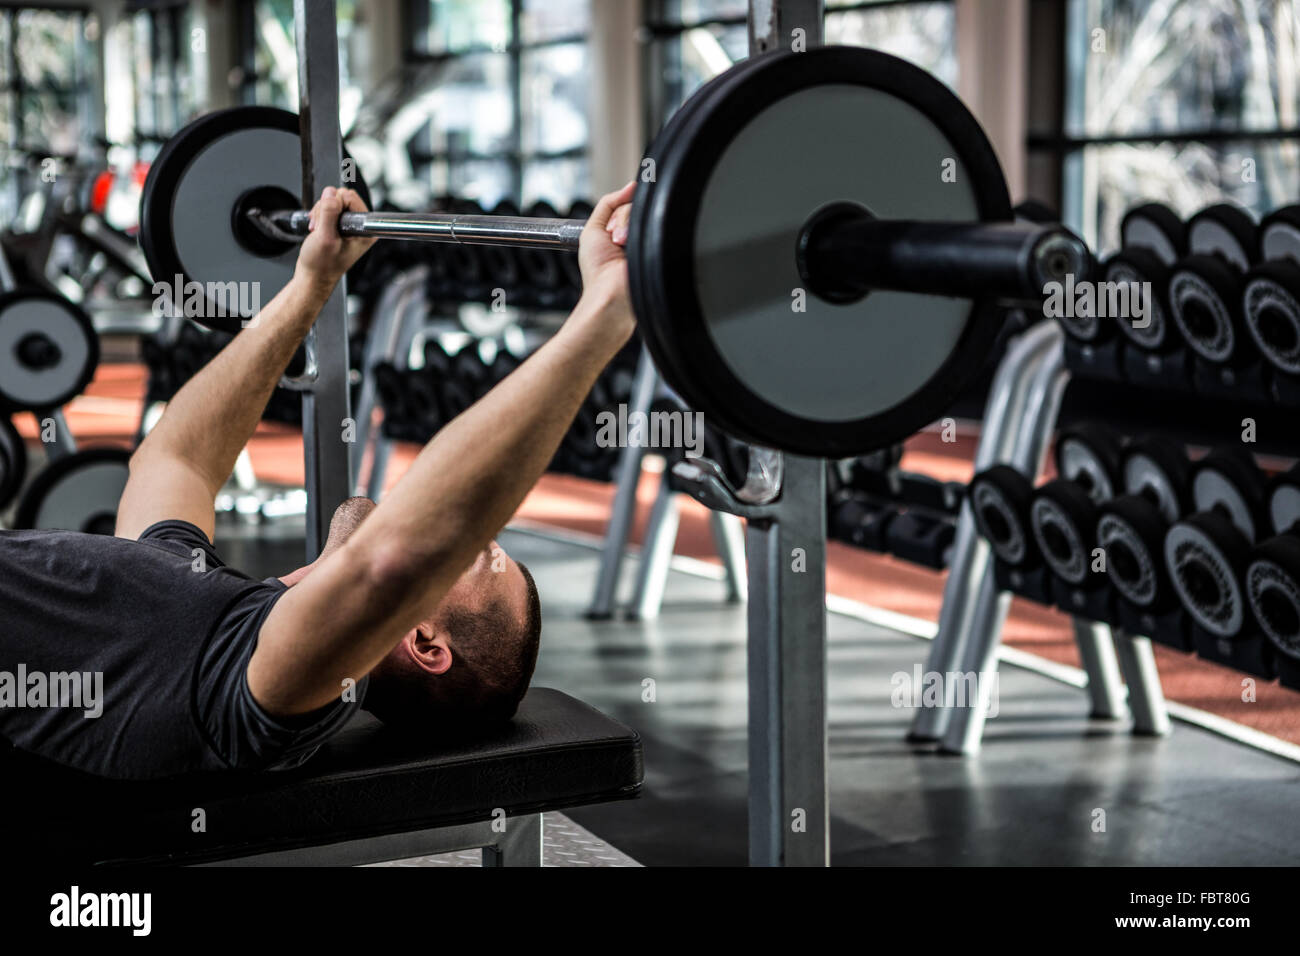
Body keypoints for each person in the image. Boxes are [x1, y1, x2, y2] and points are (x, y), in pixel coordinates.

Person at [0, 182, 638, 780]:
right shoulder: (211, 603)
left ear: (422, 641)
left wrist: (606, 313)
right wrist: (313, 282)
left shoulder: (267, 698)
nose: (455, 532)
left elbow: (391, 561)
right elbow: (177, 460)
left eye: (470, 554)